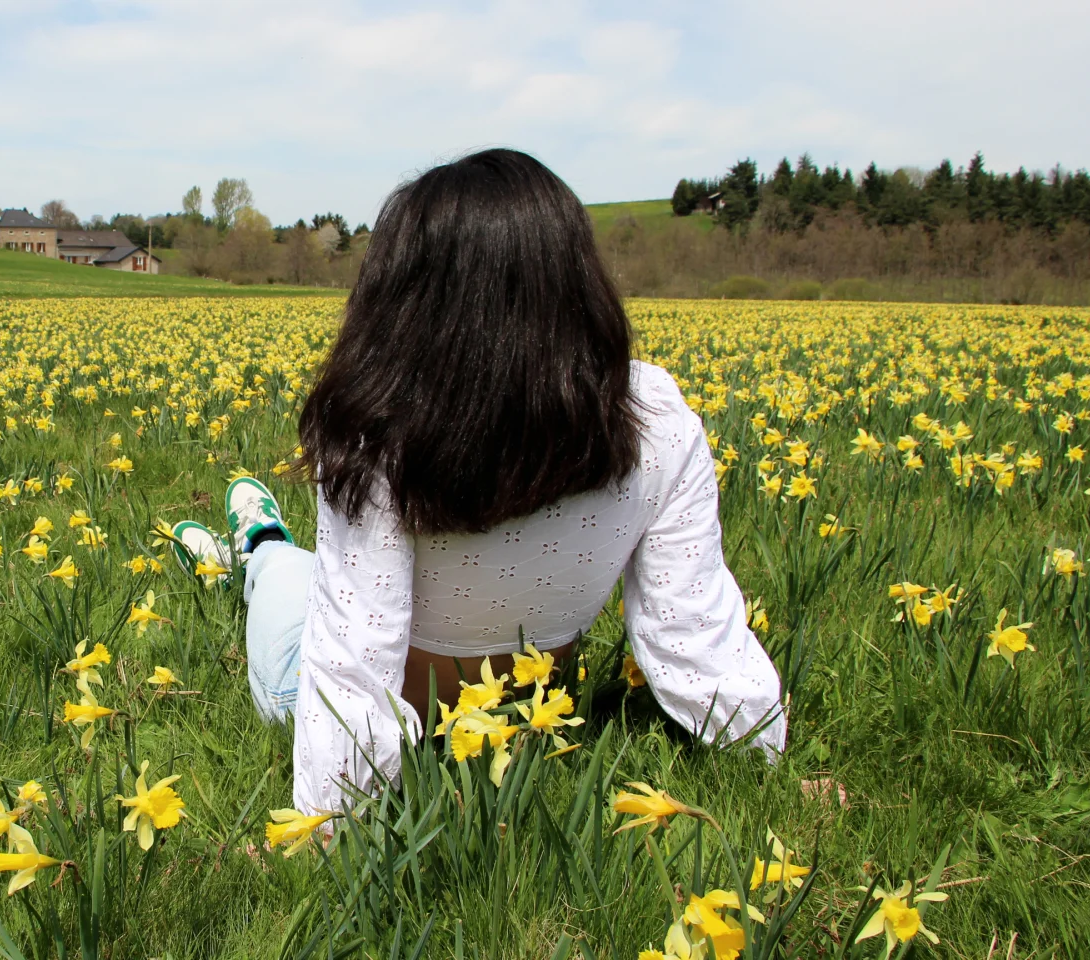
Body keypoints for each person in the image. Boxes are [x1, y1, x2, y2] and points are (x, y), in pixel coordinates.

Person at [169, 149, 786, 817]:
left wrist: (332, 821)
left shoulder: (381, 429)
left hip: (370, 709)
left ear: (400, 298)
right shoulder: (653, 417)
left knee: (292, 573)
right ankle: (250, 551)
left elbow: (350, 671)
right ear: (578, 281)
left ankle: (255, 547)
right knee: (323, 574)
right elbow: (692, 627)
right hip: (529, 716)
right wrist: (760, 746)